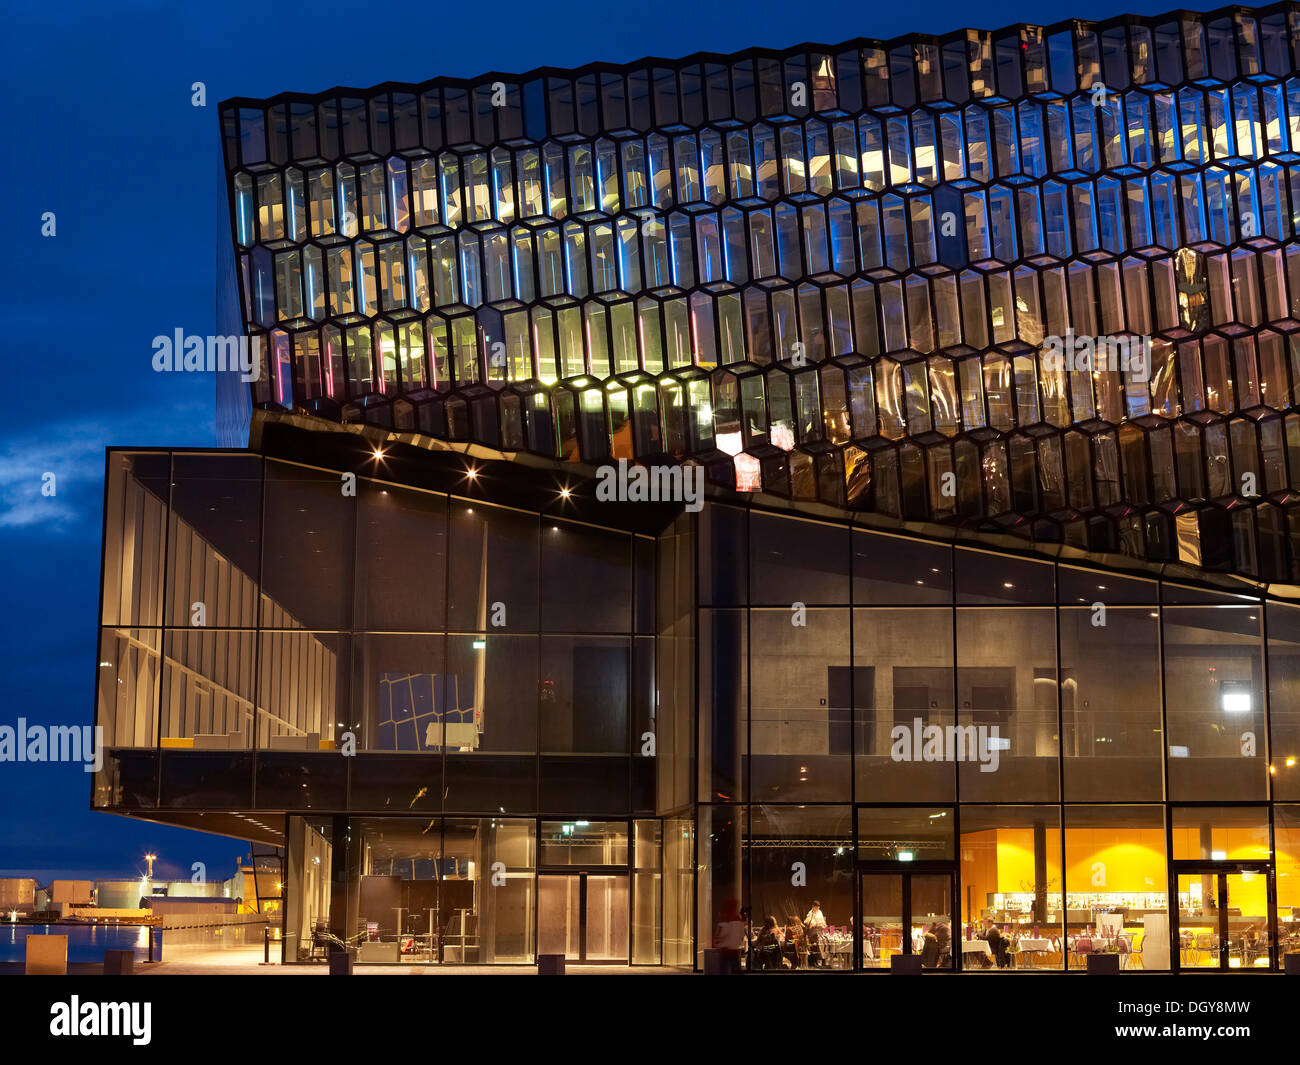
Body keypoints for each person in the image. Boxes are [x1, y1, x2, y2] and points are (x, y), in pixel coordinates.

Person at [714, 899, 746, 974]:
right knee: (736, 971)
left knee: (724, 971)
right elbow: (742, 935)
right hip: (735, 951)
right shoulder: (739, 921)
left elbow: (721, 935)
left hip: (725, 951)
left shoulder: (725, 921)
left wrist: (717, 943)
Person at [804, 901, 827, 967]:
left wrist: (823, 924)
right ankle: (813, 962)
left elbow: (822, 920)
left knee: (821, 947)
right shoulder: (810, 913)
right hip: (813, 933)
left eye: (818, 907)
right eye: (816, 907)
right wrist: (813, 923)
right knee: (814, 947)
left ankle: (822, 962)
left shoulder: (820, 912)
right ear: (813, 907)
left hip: (820, 932)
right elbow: (807, 921)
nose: (817, 908)